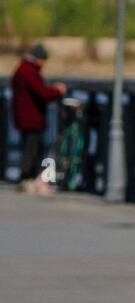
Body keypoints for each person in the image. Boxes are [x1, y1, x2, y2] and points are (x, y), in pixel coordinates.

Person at [10, 43, 66, 196]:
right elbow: (43, 93)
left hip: (24, 118)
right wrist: (57, 91)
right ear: (39, 59)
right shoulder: (29, 72)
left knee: (31, 148)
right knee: (32, 149)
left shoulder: (21, 70)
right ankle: (27, 179)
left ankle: (31, 180)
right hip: (31, 118)